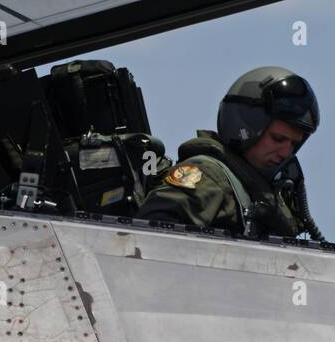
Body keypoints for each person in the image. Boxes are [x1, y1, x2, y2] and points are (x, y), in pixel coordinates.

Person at [136, 67, 325, 241]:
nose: (287, 152)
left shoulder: (263, 194)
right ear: (244, 128)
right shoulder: (209, 176)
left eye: (294, 143)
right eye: (277, 138)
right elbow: (151, 239)